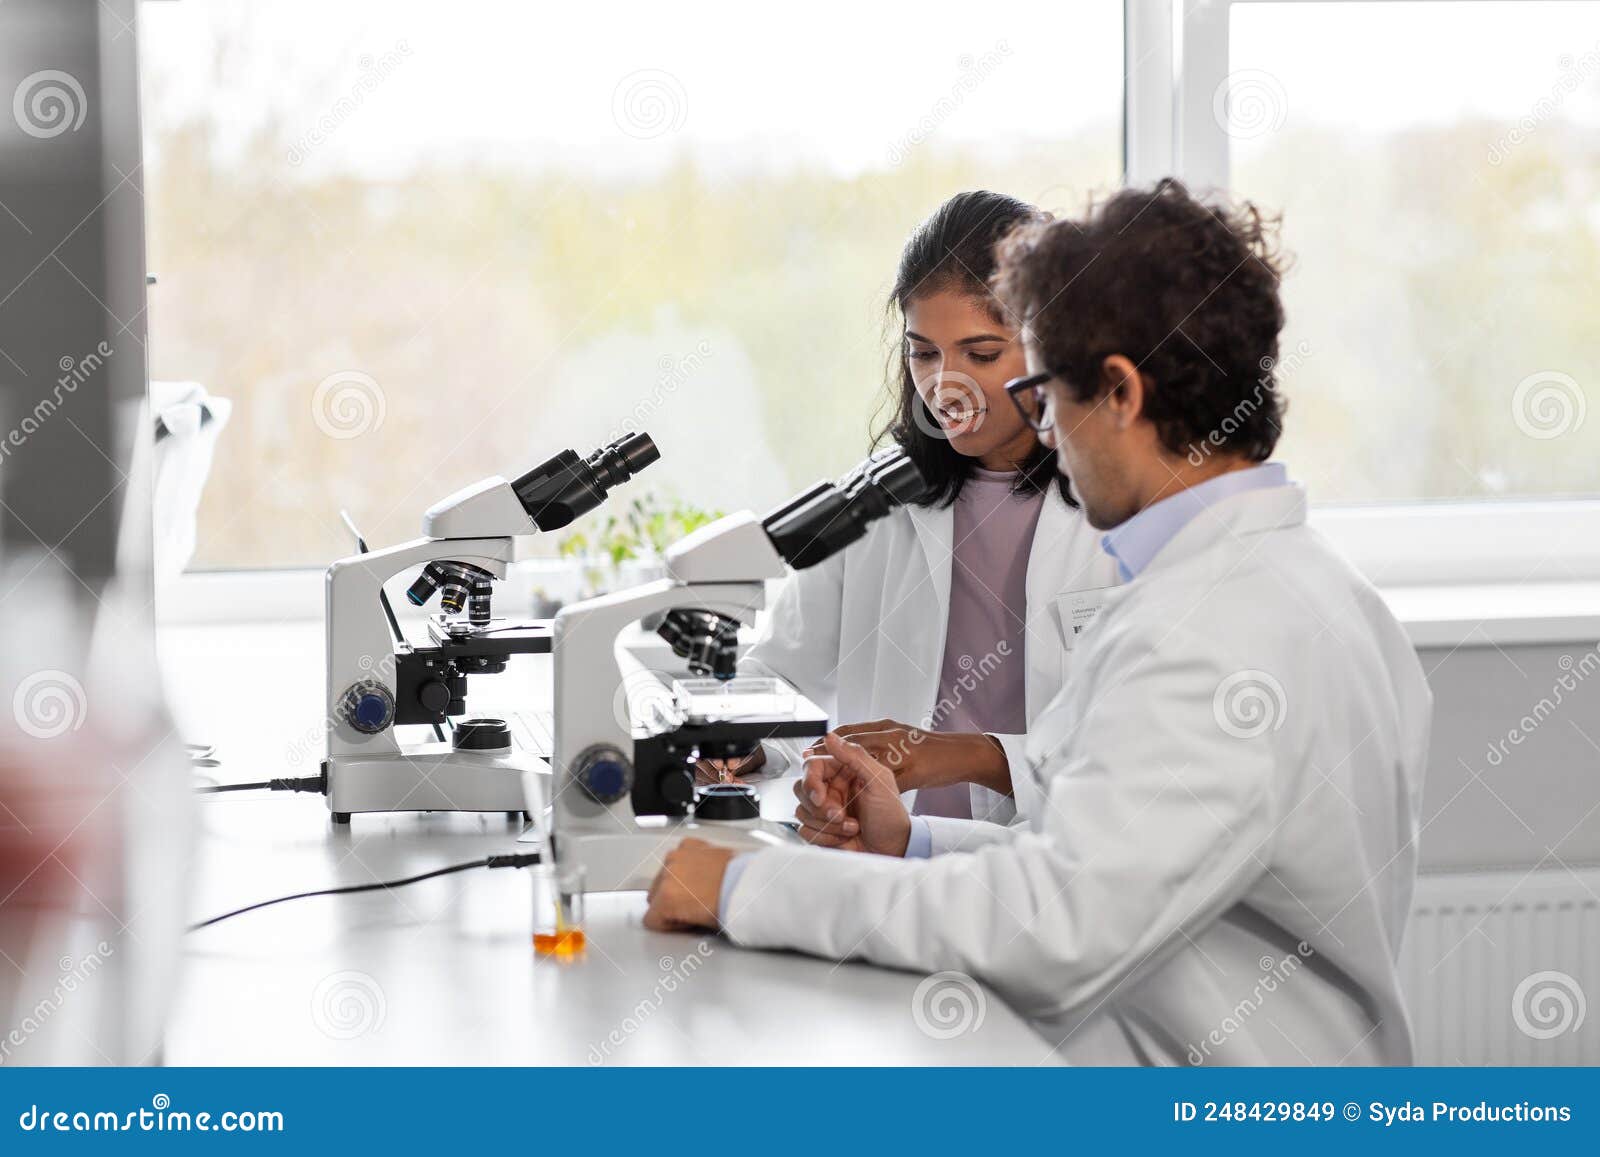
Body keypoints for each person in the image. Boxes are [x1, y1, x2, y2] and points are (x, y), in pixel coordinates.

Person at [643, 179, 1434, 1066]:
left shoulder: (1206, 630)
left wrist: (748, 887)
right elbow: (1101, 857)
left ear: (1119, 392)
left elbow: (1055, 927)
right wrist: (913, 838)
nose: (1046, 430)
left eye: (1045, 392)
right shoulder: (1308, 585)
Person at [717, 190, 1118, 826]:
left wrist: (972, 757)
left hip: (1051, 860)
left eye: (981, 354)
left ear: (1051, 350)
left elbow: (1136, 751)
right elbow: (784, 675)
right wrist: (739, 745)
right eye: (924, 352)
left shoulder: (1117, 514)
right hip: (883, 853)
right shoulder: (872, 503)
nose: (943, 384)